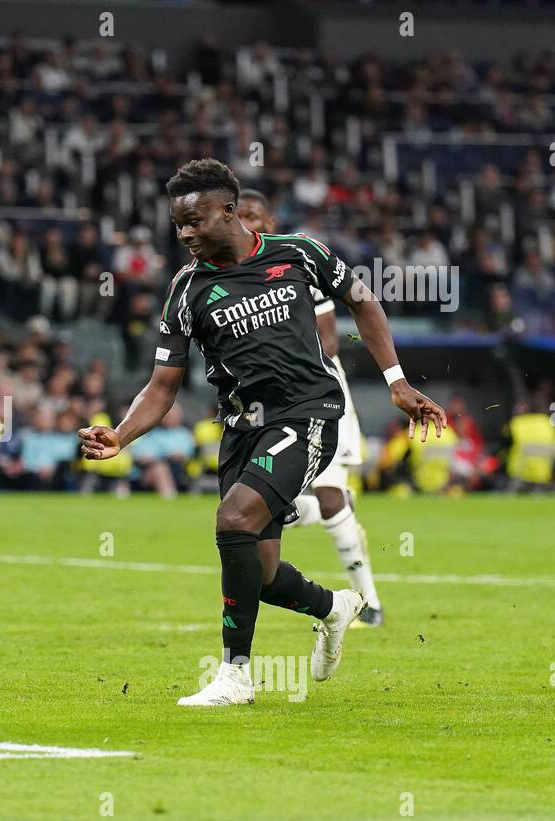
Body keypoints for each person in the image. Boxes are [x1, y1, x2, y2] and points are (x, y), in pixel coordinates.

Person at [79, 159, 445, 707]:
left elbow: (362, 300)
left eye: (195, 221)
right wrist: (122, 435)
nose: (185, 234)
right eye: (178, 225)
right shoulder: (186, 290)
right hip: (241, 426)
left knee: (232, 518)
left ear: (228, 212)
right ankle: (332, 607)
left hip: (308, 411)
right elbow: (162, 386)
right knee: (261, 570)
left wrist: (395, 381)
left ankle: (235, 674)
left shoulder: (296, 251)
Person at [237, 189, 386, 626]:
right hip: (270, 402)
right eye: (242, 216)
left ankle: (369, 601)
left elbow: (330, 341)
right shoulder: (230, 279)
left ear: (270, 219)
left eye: (256, 215)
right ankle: (337, 513)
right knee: (253, 502)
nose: (250, 223)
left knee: (328, 493)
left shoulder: (293, 266)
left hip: (318, 394)